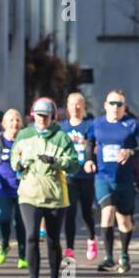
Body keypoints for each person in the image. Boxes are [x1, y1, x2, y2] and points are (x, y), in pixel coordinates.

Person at [12, 98, 79, 278]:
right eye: (39, 116)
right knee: (31, 236)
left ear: (53, 117)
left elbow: (74, 164)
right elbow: (15, 156)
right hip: (29, 194)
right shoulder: (24, 135)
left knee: (52, 240)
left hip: (54, 195)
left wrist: (57, 161)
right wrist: (19, 164)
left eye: (46, 116)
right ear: (33, 115)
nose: (42, 120)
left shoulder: (61, 137)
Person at [92, 90, 139, 273]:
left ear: (124, 108)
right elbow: (90, 143)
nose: (115, 107)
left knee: (124, 220)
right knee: (107, 211)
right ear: (105, 105)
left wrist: (130, 151)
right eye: (112, 103)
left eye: (119, 104)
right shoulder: (97, 124)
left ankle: (125, 255)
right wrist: (89, 159)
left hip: (124, 179)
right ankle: (109, 257)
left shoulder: (131, 125)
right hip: (103, 177)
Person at [0, 108, 28, 269]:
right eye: (11, 120)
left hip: (23, 189)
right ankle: (4, 246)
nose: (14, 123)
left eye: (17, 120)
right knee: (4, 219)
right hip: (2, 188)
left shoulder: (25, 141)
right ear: (3, 123)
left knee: (21, 223)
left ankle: (23, 256)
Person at [59, 92, 98, 261]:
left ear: (83, 107)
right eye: (72, 104)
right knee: (70, 211)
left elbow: (95, 147)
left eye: (79, 104)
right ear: (67, 107)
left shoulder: (90, 125)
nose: (76, 107)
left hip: (86, 174)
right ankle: (69, 248)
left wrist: (85, 147)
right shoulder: (62, 127)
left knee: (86, 212)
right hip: (69, 175)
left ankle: (91, 238)